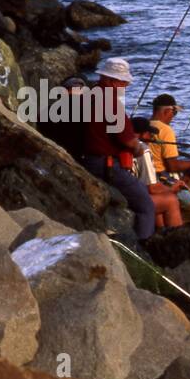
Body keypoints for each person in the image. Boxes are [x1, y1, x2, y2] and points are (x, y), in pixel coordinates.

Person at [79, 57, 156, 242]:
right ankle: (141, 249)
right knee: (146, 205)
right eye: (123, 82)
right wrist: (138, 148)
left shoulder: (90, 94)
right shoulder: (110, 102)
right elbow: (129, 142)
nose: (126, 85)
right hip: (105, 165)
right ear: (111, 80)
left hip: (87, 159)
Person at [132, 117, 183, 230]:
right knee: (171, 200)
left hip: (125, 190)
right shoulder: (143, 149)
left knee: (161, 199)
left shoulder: (123, 144)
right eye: (150, 135)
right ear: (143, 134)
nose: (152, 138)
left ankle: (161, 233)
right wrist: (172, 188)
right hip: (132, 198)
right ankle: (178, 236)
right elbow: (152, 188)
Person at [146, 93, 190, 185]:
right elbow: (172, 167)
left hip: (145, 174)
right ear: (167, 111)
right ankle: (185, 195)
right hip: (159, 176)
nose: (173, 117)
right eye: (174, 112)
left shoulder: (144, 125)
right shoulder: (165, 130)